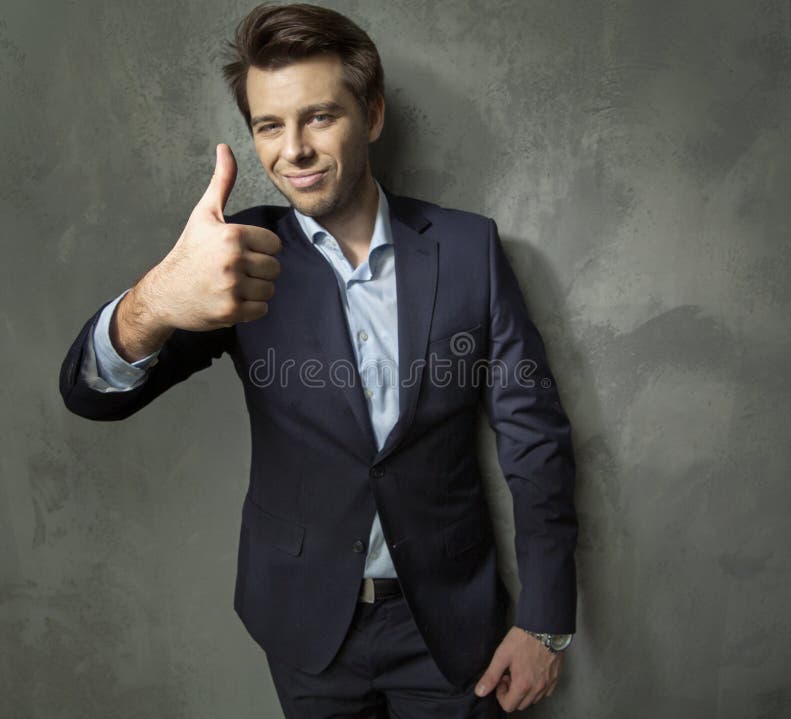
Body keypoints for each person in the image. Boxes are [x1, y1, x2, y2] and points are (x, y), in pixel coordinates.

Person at [59, 3, 578, 716]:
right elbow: (90, 395)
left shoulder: (468, 250)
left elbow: (535, 438)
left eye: (319, 117)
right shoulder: (236, 260)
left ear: (371, 115)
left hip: (452, 628)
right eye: (269, 125)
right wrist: (153, 301)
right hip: (304, 628)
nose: (292, 150)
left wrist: (545, 620)